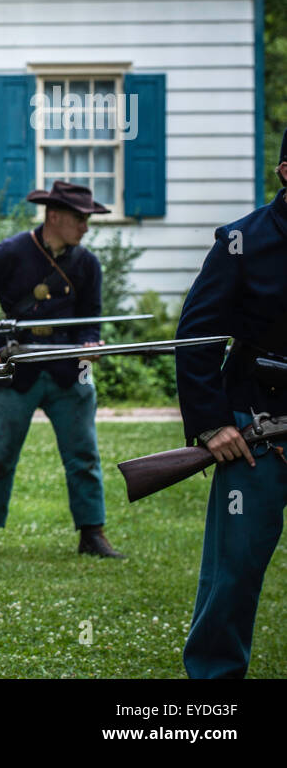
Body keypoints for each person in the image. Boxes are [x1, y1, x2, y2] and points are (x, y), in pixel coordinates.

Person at [0, 180, 119, 558]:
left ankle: (92, 533)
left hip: (66, 369)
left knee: (84, 455)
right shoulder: (11, 252)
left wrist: (91, 343)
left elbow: (91, 318)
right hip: (17, 369)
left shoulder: (87, 263)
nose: (85, 226)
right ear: (55, 216)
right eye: (80, 218)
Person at [174, 133, 287, 678]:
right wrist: (212, 423)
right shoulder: (242, 241)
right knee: (234, 570)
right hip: (253, 425)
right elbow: (197, 335)